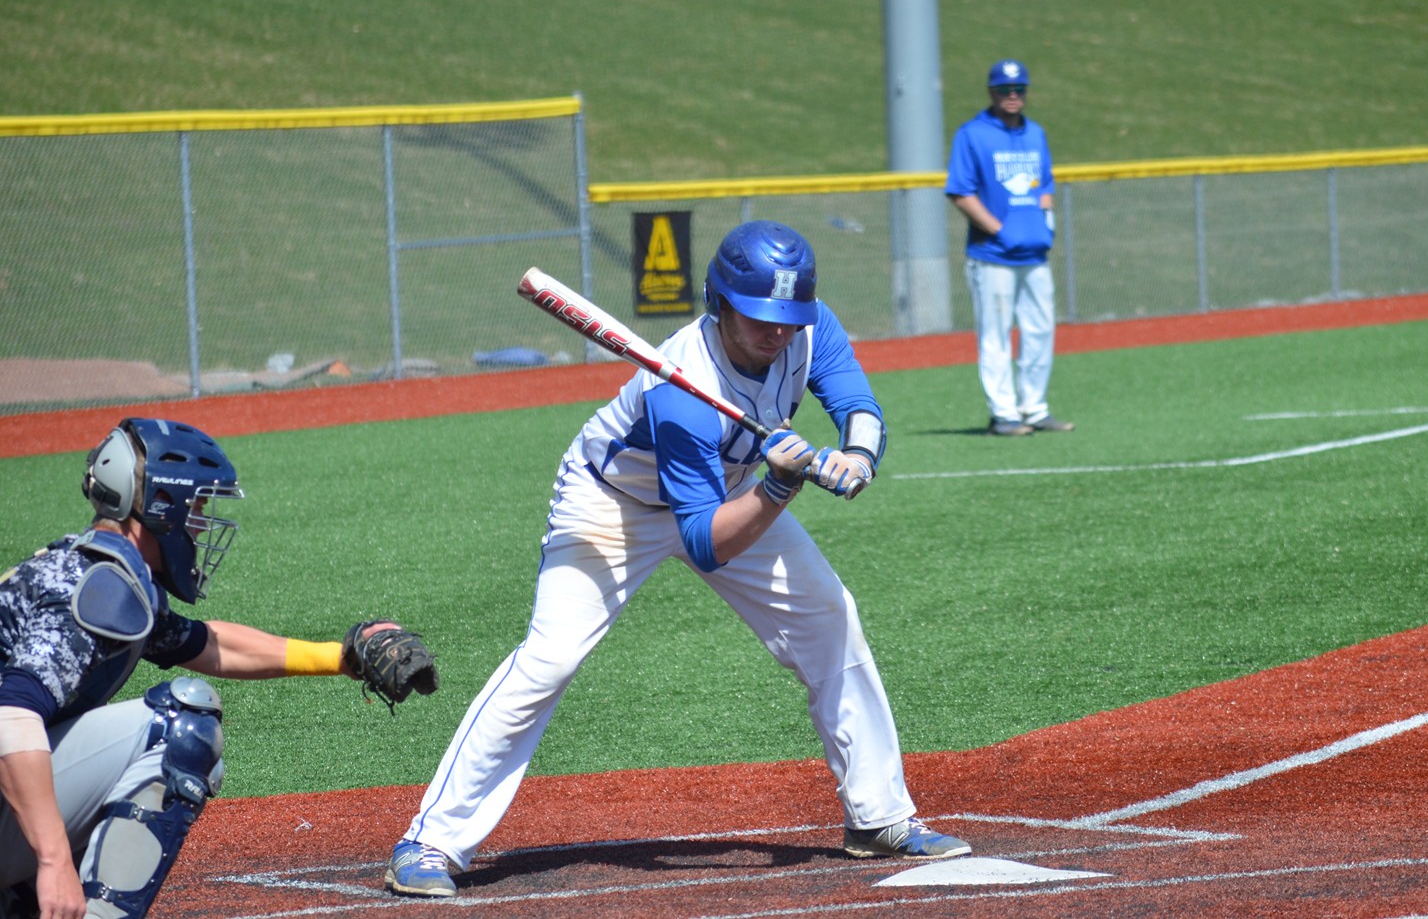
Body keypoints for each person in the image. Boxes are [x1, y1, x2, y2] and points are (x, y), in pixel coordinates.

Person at [384, 220, 971, 898]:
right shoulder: (681, 388)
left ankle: (880, 818)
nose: (776, 333)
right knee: (550, 659)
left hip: (731, 488)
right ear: (721, 303)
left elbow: (858, 405)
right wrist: (780, 486)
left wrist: (857, 457)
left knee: (830, 619)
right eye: (758, 319)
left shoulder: (809, 329)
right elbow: (707, 544)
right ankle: (430, 841)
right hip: (611, 508)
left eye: (786, 319)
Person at [0, 417, 428, 919]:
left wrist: (338, 657)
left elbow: (207, 644)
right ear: (161, 505)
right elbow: (11, 715)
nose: (203, 521)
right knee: (180, 728)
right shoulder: (100, 590)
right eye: (199, 504)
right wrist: (52, 860)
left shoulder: (106, 573)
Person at [945, 59, 1074, 437]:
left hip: (1035, 254)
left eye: (1019, 89)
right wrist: (999, 230)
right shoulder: (973, 134)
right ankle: (1004, 414)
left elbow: (1045, 184)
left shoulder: (1036, 133)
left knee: (1039, 331)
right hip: (993, 256)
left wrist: (1045, 224)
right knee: (996, 335)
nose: (1013, 96)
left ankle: (1034, 408)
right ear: (991, 92)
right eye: (1004, 89)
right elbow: (960, 191)